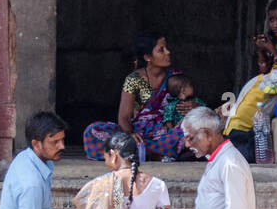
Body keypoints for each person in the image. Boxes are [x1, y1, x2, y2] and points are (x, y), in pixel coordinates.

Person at [83, 32, 197, 161]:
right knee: (92, 131)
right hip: (139, 133)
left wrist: (194, 106)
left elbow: (190, 102)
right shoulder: (133, 79)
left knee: (190, 130)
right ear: (148, 57)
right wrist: (130, 134)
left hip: (166, 132)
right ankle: (151, 152)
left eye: (166, 48)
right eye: (161, 50)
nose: (168, 52)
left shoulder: (175, 76)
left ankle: (137, 152)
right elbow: (124, 116)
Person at [221, 50, 277, 162]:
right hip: (234, 131)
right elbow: (264, 66)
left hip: (246, 133)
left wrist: (270, 48)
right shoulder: (264, 77)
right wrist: (261, 50)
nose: (261, 62)